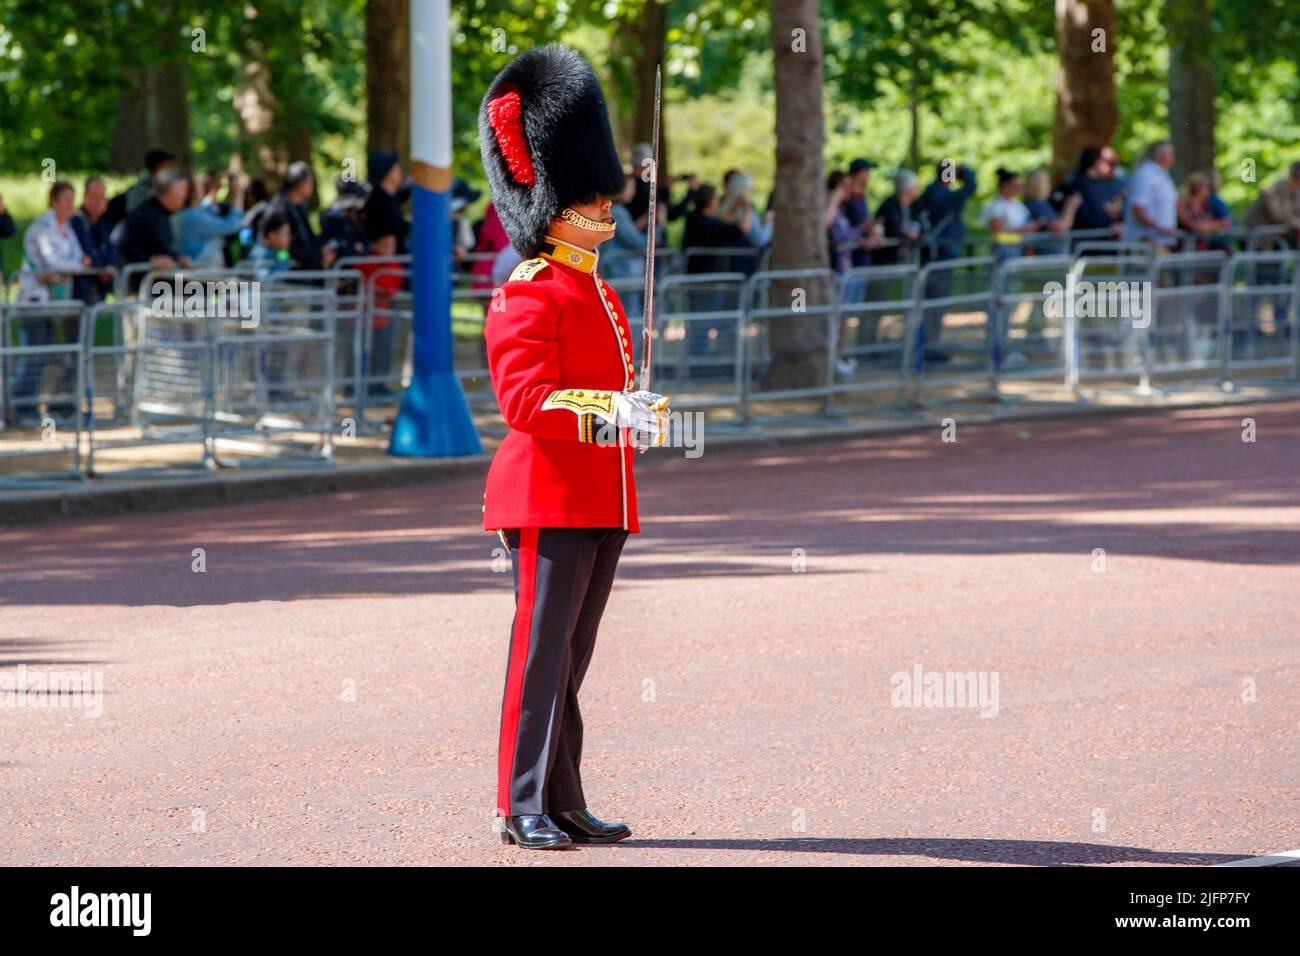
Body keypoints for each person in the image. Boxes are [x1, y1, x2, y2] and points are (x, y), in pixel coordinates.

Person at [478, 44, 671, 851]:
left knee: (571, 661)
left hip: (600, 495)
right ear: (551, 206)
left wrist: (634, 415)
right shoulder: (530, 290)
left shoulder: (597, 287)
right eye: (591, 198)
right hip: (547, 494)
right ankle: (517, 805)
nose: (607, 208)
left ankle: (564, 799)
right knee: (538, 656)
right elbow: (525, 403)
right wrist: (612, 409)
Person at [12, 181, 88, 423]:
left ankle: (35, 404)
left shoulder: (66, 227)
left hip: (54, 300)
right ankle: (21, 406)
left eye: (71, 200)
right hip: (34, 299)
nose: (69, 205)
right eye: (65, 199)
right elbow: (55, 261)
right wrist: (74, 267)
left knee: (48, 353)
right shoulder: (42, 227)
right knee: (34, 353)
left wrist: (72, 266)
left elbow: (77, 257)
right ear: (53, 200)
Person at [116, 168, 191, 290]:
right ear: (168, 192)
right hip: (145, 283)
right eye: (182, 191)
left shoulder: (163, 214)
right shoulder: (144, 214)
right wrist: (150, 260)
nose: (184, 197)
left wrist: (177, 258)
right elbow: (124, 246)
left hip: (160, 280)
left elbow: (160, 248)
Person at [266, 162, 334, 270]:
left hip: (307, 267)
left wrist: (321, 251)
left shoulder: (299, 206)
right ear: (300, 184)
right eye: (310, 182)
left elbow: (308, 238)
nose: (312, 185)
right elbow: (285, 247)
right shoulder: (280, 209)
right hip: (288, 272)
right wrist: (317, 256)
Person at [172, 172, 245, 268]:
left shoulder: (181, 214)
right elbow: (233, 224)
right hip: (203, 275)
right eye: (200, 186)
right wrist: (239, 191)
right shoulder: (193, 217)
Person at [1124, 141, 1179, 250]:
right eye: (1171, 154)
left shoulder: (1162, 174)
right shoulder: (1145, 174)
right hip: (1147, 242)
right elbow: (1138, 208)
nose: (1173, 158)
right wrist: (1160, 229)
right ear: (1161, 155)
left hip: (1161, 241)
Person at [70, 176, 117, 304]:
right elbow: (85, 253)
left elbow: (110, 250)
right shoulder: (76, 222)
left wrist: (109, 266)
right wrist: (100, 268)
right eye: (95, 196)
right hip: (78, 289)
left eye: (102, 197)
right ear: (85, 197)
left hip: (98, 288)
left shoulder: (104, 223)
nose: (99, 201)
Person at [1053, 147, 1120, 234]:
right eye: (1105, 162)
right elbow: (1087, 216)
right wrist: (1109, 226)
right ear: (1097, 163)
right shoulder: (1079, 185)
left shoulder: (1094, 183)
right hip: (1086, 238)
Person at [980, 168, 1039, 265]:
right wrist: (1023, 230)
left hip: (1018, 250)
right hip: (1003, 253)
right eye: (1015, 186)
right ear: (1004, 185)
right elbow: (998, 234)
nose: (1018, 189)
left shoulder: (1019, 206)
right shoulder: (996, 206)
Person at [106, 148, 174, 225]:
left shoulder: (156, 188)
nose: (170, 172)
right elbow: (134, 216)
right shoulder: (143, 190)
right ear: (157, 168)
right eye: (166, 168)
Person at [873, 169, 922, 266]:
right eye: (915, 187)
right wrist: (908, 235)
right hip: (885, 258)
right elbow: (894, 229)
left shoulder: (914, 206)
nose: (917, 190)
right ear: (908, 189)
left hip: (902, 257)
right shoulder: (890, 206)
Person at [1244, 161, 1300, 243]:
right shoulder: (1275, 191)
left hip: (1276, 236)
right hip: (1258, 237)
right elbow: (1280, 216)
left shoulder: (1294, 192)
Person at [1177, 172, 1232, 251]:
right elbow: (1194, 226)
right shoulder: (1182, 205)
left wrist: (1210, 226)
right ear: (1198, 189)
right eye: (1206, 189)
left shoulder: (1205, 206)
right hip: (1186, 250)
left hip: (1202, 249)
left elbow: (1225, 224)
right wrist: (1217, 224)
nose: (1208, 192)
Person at [842, 157, 876, 267]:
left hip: (863, 254)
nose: (868, 175)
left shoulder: (862, 196)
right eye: (865, 172)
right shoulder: (847, 198)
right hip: (849, 256)